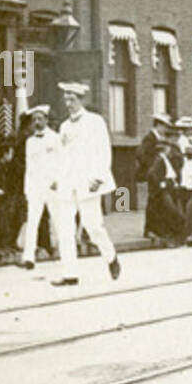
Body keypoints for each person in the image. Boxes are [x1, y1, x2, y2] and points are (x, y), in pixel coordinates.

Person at [52, 81, 120, 286]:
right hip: (67, 184)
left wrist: (99, 177)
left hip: (88, 182)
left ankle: (111, 257)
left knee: (93, 226)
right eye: (66, 99)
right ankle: (70, 273)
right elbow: (61, 156)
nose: (69, 103)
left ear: (81, 100)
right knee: (65, 228)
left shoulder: (95, 122)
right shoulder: (64, 126)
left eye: (72, 99)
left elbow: (104, 150)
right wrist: (57, 178)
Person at [19, 105, 63, 268]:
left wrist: (58, 181)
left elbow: (62, 162)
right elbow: (29, 168)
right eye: (34, 119)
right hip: (36, 188)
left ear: (46, 120)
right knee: (32, 222)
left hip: (52, 187)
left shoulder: (56, 138)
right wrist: (27, 189)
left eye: (40, 118)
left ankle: (65, 254)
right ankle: (28, 257)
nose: (37, 122)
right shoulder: (29, 142)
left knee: (58, 221)